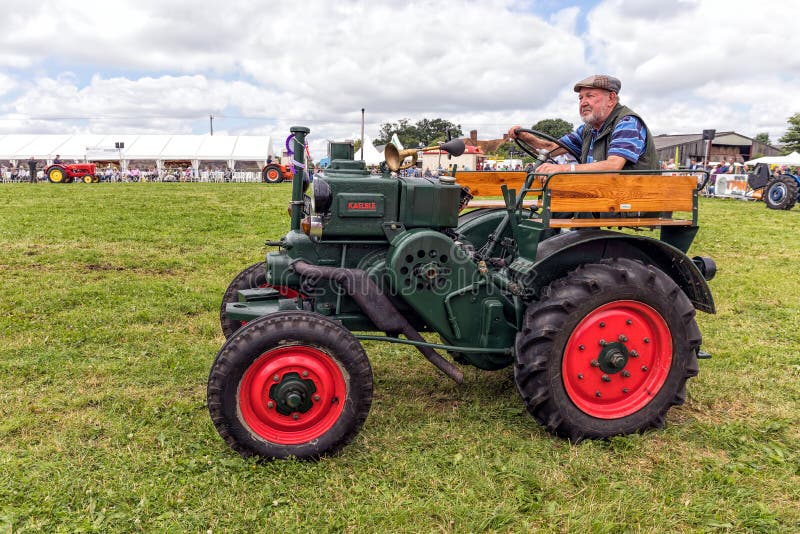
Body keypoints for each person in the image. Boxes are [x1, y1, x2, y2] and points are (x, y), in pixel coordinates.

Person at [508, 74, 657, 173]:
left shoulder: (627, 123)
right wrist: (526, 137)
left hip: (631, 206)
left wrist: (564, 169)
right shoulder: (588, 129)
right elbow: (551, 148)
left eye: (590, 96)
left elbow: (613, 165)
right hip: (602, 198)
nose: (583, 103)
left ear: (611, 98)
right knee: (555, 204)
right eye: (580, 98)